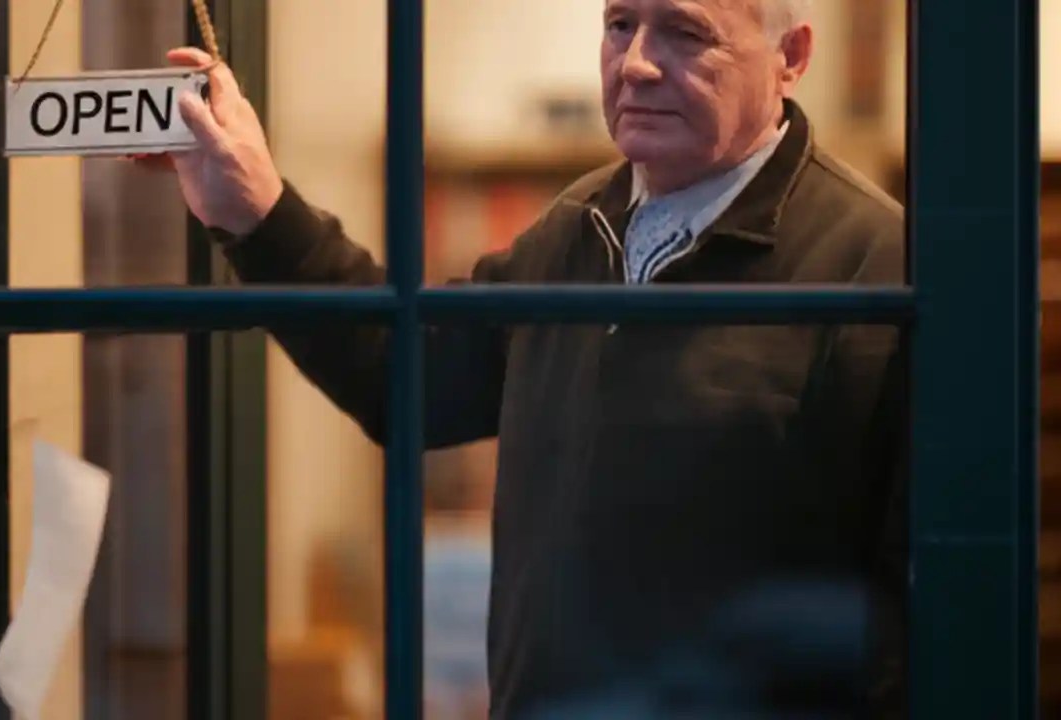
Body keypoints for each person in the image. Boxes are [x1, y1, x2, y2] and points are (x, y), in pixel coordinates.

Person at [154, 0, 906, 716]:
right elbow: (402, 374)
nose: (637, 63)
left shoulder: (874, 264)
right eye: (619, 24)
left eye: (686, 32)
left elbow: (922, 614)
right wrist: (255, 211)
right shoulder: (577, 227)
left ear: (791, 57)